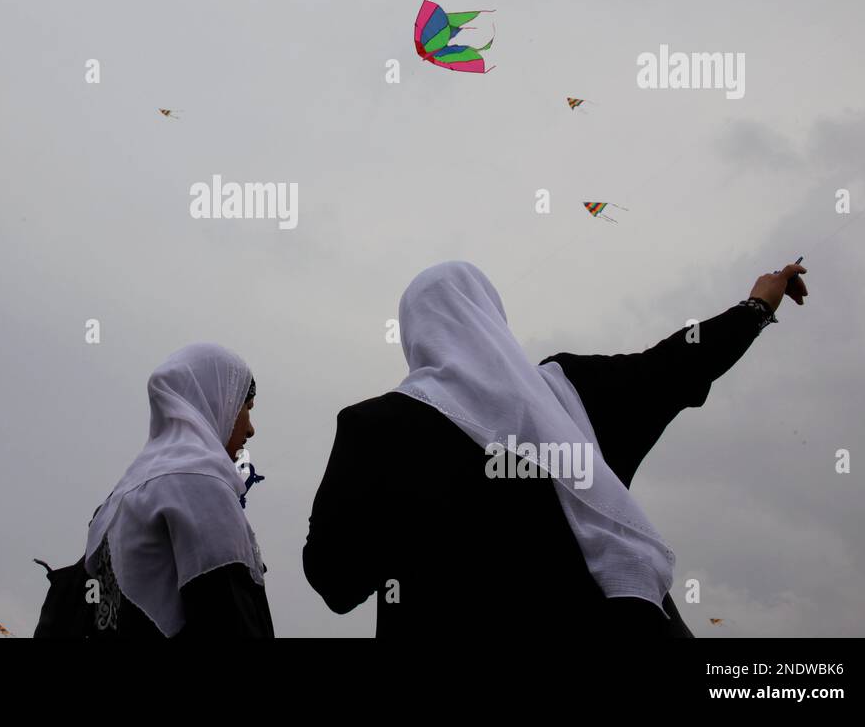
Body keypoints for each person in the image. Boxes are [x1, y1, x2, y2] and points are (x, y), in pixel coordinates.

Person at [303, 259, 808, 637]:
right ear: (493, 317)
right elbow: (674, 365)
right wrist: (757, 306)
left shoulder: (374, 427)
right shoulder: (571, 396)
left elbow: (335, 579)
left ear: (413, 334)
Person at [84, 342, 274, 638]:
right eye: (245, 408)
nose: (251, 429)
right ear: (217, 401)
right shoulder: (196, 483)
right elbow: (229, 617)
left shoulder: (123, 493)